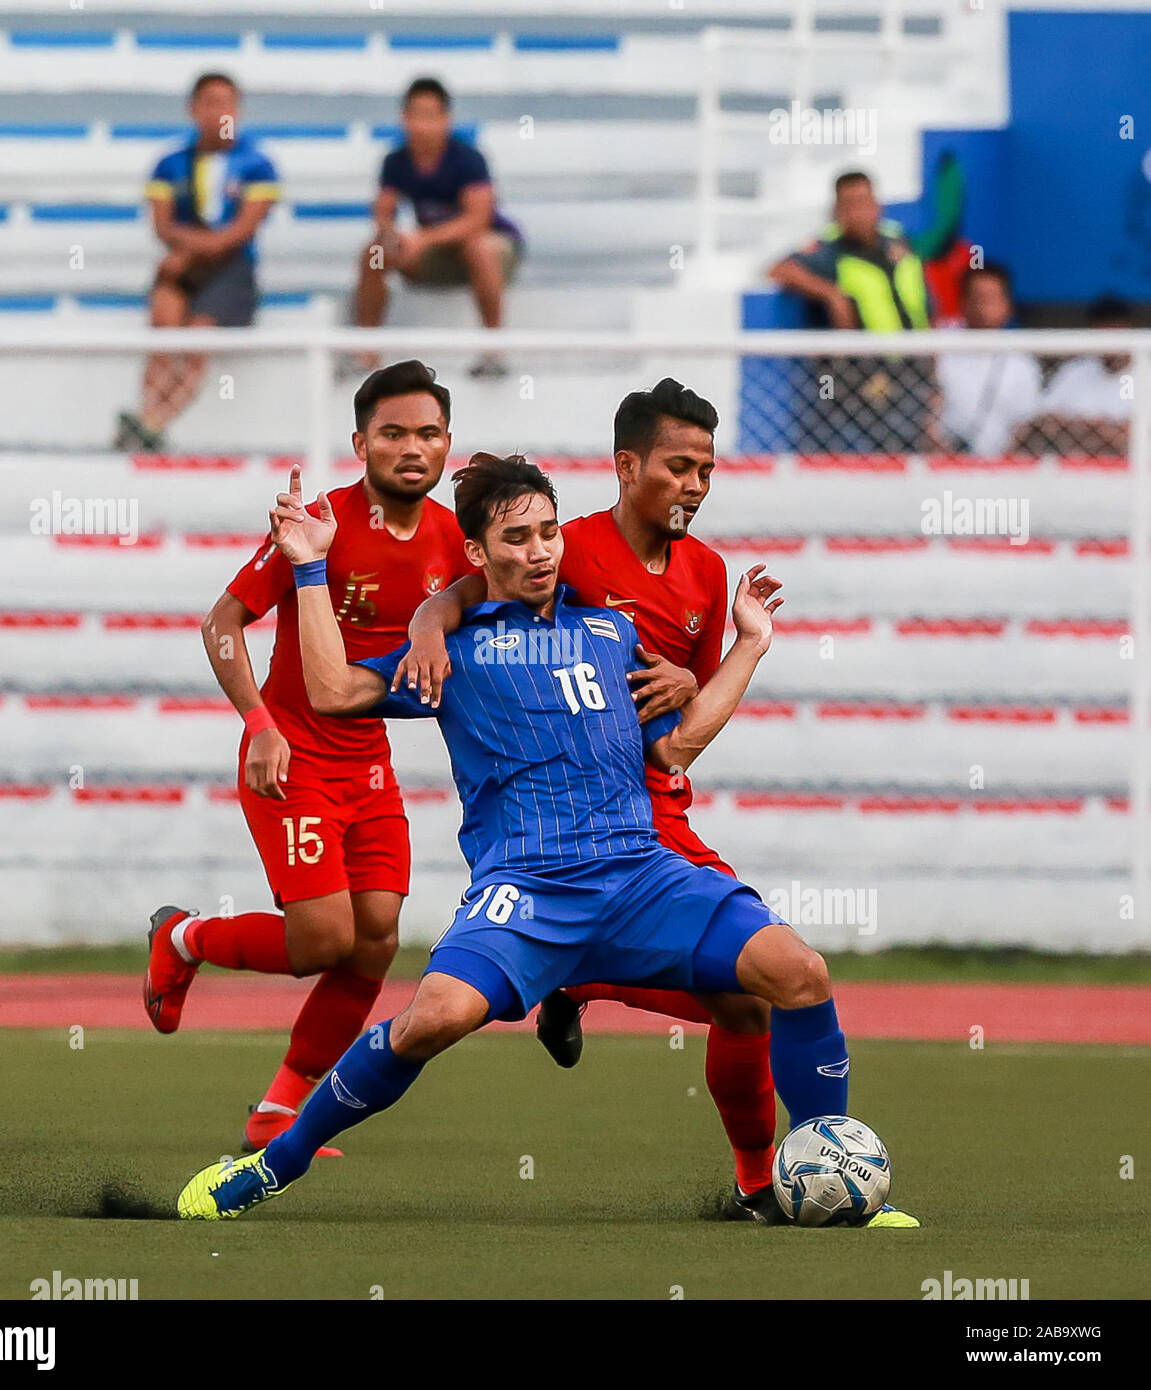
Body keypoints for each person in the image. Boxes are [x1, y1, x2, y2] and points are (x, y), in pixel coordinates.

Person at [177, 455, 918, 1228]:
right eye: (517, 537)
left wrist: (748, 646)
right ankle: (274, 1163)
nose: (538, 551)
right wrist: (309, 570)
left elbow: (675, 749)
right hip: (525, 888)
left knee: (797, 972)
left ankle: (827, 1184)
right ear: (477, 553)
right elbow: (330, 693)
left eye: (548, 532)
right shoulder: (450, 651)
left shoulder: (610, 629)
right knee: (431, 1020)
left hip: (640, 874)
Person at [399, 379, 779, 1220]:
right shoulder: (563, 543)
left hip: (657, 814)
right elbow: (467, 594)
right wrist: (429, 624)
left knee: (750, 999)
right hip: (579, 820)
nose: (695, 485)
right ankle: (765, 1181)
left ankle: (753, 1178)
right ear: (625, 465)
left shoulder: (710, 573)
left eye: (706, 470)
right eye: (679, 466)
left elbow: (677, 715)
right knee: (750, 992)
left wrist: (696, 677)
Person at [143, 361, 475, 1157]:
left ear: (446, 445)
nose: (411, 447)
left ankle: (279, 1106)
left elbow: (474, 612)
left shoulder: (453, 542)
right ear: (360, 442)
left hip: (367, 764)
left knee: (377, 937)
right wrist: (258, 721)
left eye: (427, 433)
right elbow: (221, 621)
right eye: (392, 432)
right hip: (287, 757)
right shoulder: (316, 522)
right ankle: (184, 939)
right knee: (323, 940)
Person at [114, 72, 280, 452]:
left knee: (199, 336)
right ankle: (148, 420)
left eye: (226, 103)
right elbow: (162, 226)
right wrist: (191, 248)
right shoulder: (170, 163)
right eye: (210, 103)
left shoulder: (257, 164)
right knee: (164, 327)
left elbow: (237, 235)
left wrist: (188, 246)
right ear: (193, 109)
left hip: (232, 271)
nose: (218, 112)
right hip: (184, 264)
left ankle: (149, 423)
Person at [352, 77, 524, 378]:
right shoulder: (395, 162)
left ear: (446, 119)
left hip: (492, 252)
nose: (423, 125)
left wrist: (422, 238)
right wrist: (390, 234)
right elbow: (383, 211)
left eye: (431, 116)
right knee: (375, 253)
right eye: (416, 115)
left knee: (479, 247)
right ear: (404, 119)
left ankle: (494, 352)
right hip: (436, 256)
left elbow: (478, 221)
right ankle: (366, 354)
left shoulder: (468, 160)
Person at [768, 170, 933, 452]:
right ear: (838, 210)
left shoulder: (897, 240)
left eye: (865, 201)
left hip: (917, 361)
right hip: (867, 368)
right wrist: (832, 295)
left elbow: (921, 298)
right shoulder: (829, 249)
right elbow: (780, 269)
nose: (859, 212)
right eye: (850, 204)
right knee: (879, 443)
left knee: (923, 442)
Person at [933, 264, 1041, 457]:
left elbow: (1026, 425)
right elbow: (927, 414)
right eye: (976, 298)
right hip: (942, 463)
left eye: (991, 299)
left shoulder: (1023, 362)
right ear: (962, 302)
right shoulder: (938, 349)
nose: (982, 307)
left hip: (1001, 470)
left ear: (1007, 306)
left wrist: (1001, 466)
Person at [1012, 296, 1134, 457]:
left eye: (1115, 328)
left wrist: (1079, 426)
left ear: (1130, 328)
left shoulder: (1145, 372)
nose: (1109, 337)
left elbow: (1130, 437)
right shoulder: (1075, 370)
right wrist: (1099, 429)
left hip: (1131, 473)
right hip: (1072, 468)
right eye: (1102, 328)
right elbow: (1042, 421)